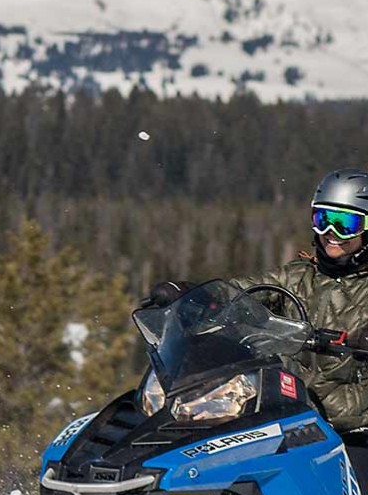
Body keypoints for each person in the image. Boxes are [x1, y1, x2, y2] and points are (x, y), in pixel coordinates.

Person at [149, 169, 368, 435]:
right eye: (322, 219)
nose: (330, 232)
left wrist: (298, 380)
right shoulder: (298, 276)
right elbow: (239, 294)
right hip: (286, 415)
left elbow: (358, 405)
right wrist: (190, 297)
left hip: (351, 433)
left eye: (346, 224)